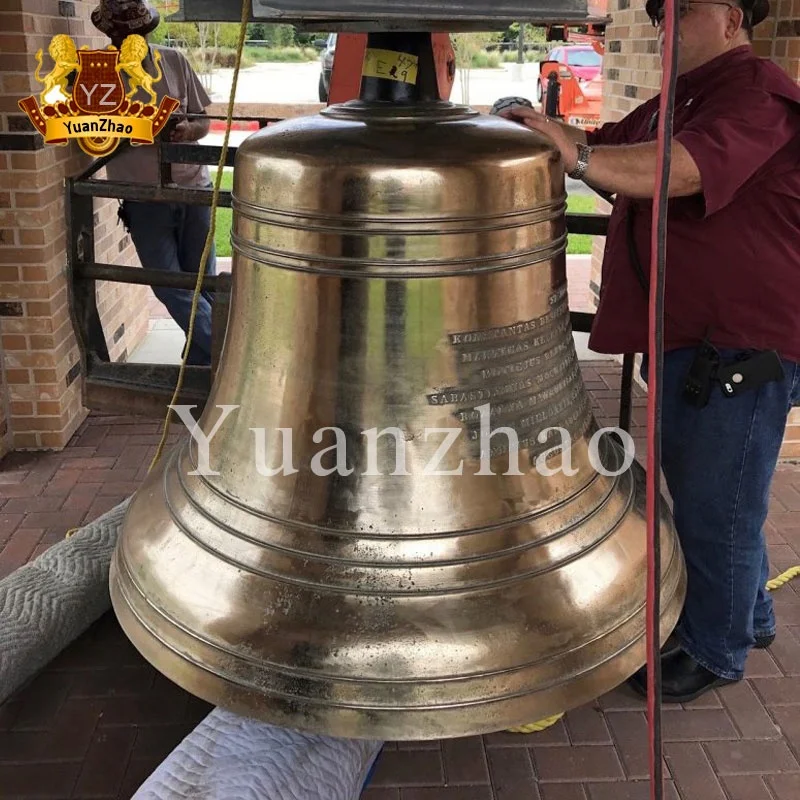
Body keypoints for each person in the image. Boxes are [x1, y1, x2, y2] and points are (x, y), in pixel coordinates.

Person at [501, 0, 800, 702]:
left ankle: (714, 650)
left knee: (711, 500)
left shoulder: (756, 94)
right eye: (659, 14)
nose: (665, 25)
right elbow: (603, 144)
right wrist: (541, 131)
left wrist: (576, 153)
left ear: (731, 17)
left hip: (737, 344)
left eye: (680, 11)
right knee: (720, 492)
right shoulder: (685, 96)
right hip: (694, 338)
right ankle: (748, 617)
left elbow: (686, 170)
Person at [91, 0, 216, 366]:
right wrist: (134, 129)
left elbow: (203, 122)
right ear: (110, 36)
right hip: (142, 196)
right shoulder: (95, 73)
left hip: (194, 189)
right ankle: (224, 347)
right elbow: (89, 136)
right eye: (121, 35)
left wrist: (188, 130)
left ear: (146, 32)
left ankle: (201, 361)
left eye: (135, 34)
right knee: (167, 283)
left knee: (200, 284)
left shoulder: (173, 60)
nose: (129, 41)